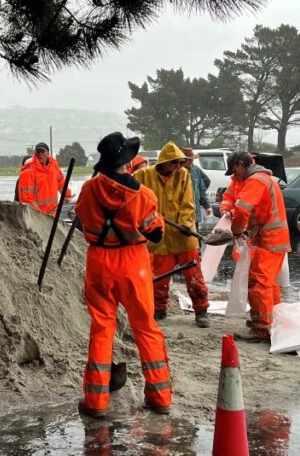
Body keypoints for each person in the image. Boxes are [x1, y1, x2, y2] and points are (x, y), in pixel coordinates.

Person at [75, 132, 172, 419]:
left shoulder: (88, 189)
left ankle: (95, 402)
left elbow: (81, 221)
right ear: (127, 163)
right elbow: (155, 233)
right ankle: (159, 397)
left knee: (102, 329)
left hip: (99, 262)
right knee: (145, 327)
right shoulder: (143, 195)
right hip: (134, 263)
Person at [133, 142, 210, 327]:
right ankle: (159, 309)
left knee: (194, 275)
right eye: (174, 163)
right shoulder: (144, 175)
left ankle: (201, 310)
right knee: (159, 276)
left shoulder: (183, 175)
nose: (177, 167)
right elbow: (130, 189)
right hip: (158, 234)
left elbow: (188, 203)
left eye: (179, 164)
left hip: (183, 235)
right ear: (165, 162)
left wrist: (184, 224)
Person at [229, 151, 291, 342]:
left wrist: (237, 231)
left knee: (259, 284)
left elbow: (242, 209)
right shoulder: (266, 179)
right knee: (269, 284)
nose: (235, 175)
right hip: (274, 239)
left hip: (268, 240)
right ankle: (273, 323)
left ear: (241, 164)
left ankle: (262, 328)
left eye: (234, 170)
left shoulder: (256, 181)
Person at [17, 142, 72, 216]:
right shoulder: (29, 170)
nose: (40, 154)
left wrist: (67, 195)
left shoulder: (54, 166)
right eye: (38, 152)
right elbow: (26, 198)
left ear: (48, 153)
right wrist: (38, 214)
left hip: (53, 212)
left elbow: (61, 183)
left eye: (43, 151)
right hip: (36, 215)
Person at [182, 148, 212, 223]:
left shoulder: (195, 170)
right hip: (182, 214)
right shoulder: (177, 172)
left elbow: (201, 189)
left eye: (192, 159)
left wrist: (207, 205)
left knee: (195, 233)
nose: (191, 161)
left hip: (195, 213)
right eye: (188, 159)